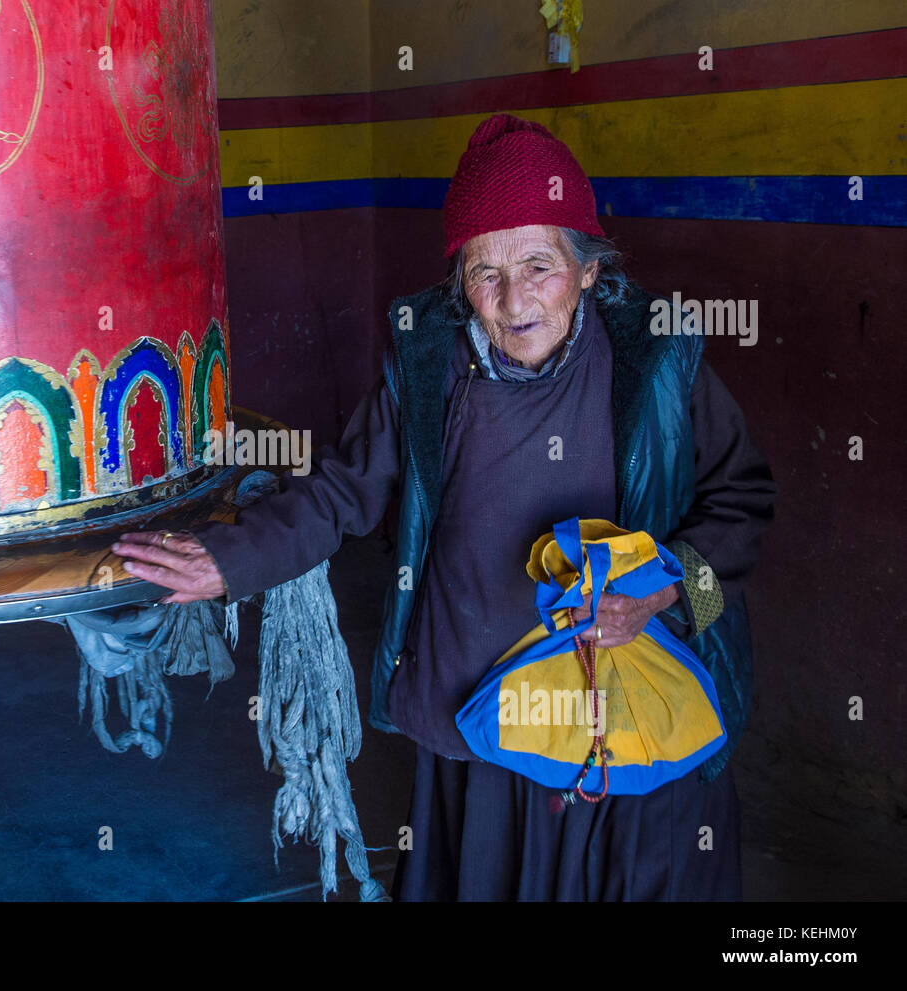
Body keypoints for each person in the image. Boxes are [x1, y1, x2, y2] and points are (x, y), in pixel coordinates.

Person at [112, 114, 777, 901]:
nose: (514, 299)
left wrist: (663, 590)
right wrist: (230, 559)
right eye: (484, 273)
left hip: (621, 705)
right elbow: (342, 490)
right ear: (458, 282)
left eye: (540, 265)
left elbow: (743, 497)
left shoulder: (659, 358)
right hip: (482, 707)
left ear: (589, 269)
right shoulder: (430, 360)